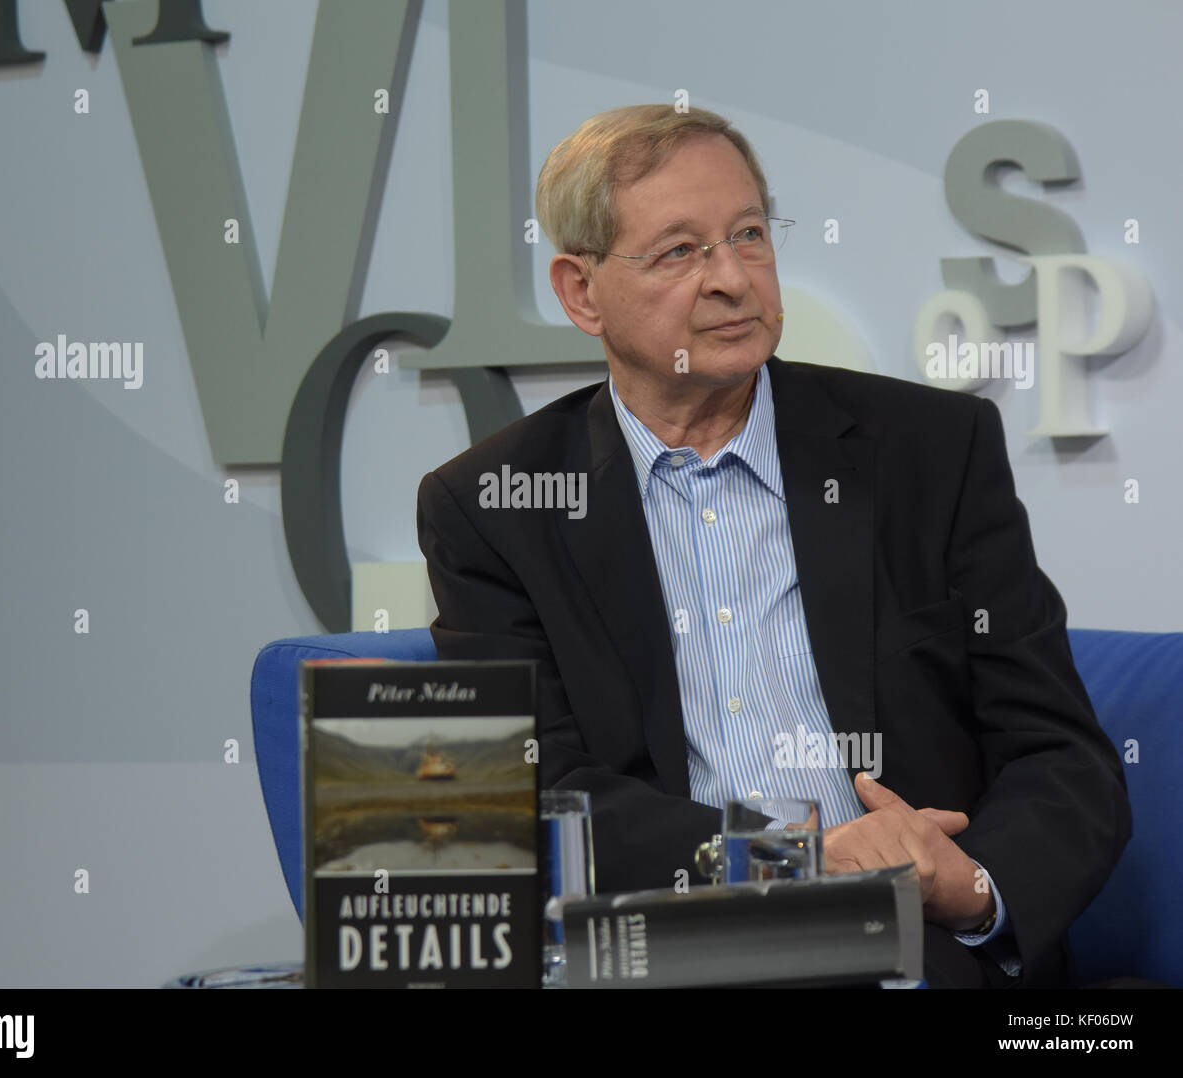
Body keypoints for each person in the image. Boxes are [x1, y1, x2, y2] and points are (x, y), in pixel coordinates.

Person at [416, 104, 1130, 988]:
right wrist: (793, 861)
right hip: (669, 947)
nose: (731, 279)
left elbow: (1059, 752)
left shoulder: (930, 452)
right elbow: (532, 789)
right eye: (679, 251)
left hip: (917, 943)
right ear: (580, 291)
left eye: (748, 234)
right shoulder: (494, 507)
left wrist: (973, 886)